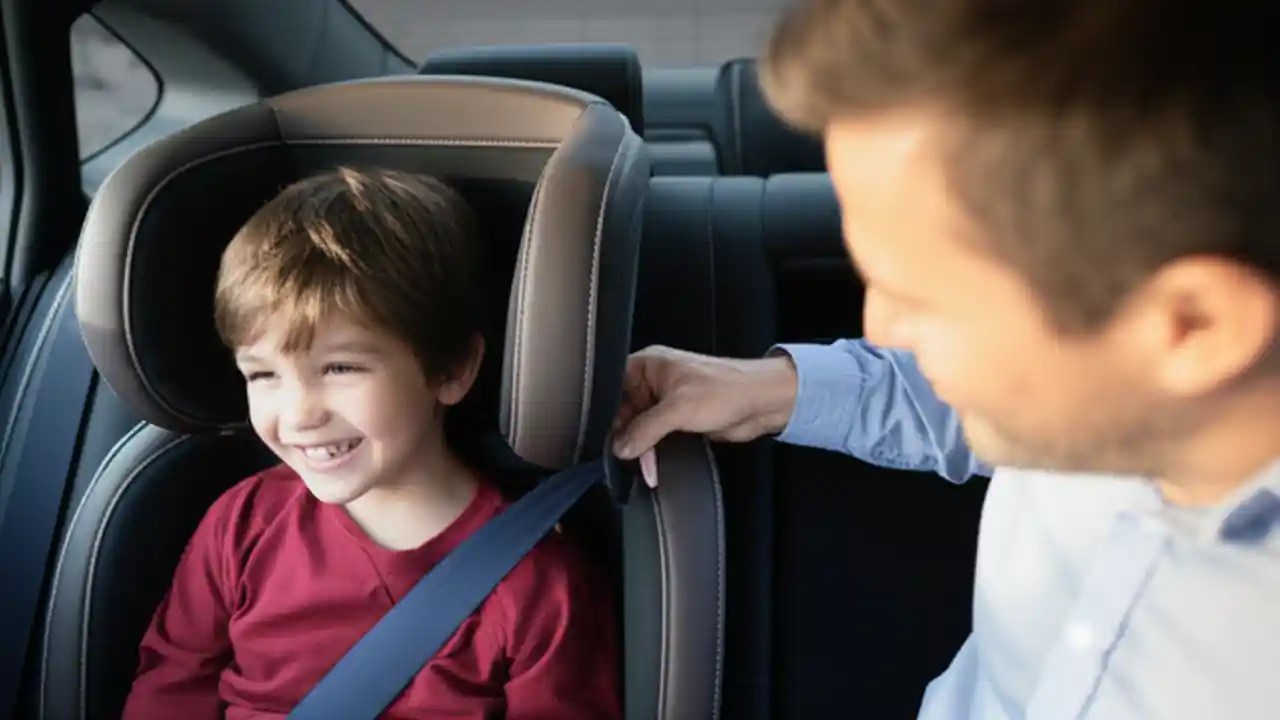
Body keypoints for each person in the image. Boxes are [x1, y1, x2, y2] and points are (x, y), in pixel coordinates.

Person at [613, 2, 1280, 719]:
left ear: (1195, 326)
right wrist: (774, 391)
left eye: (925, 300)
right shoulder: (1100, 395)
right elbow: (980, 405)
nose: (881, 328)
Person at [122, 167, 619, 719]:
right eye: (263, 375)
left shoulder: (538, 586)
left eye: (340, 367)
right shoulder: (243, 525)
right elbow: (170, 690)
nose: (300, 413)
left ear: (453, 369)